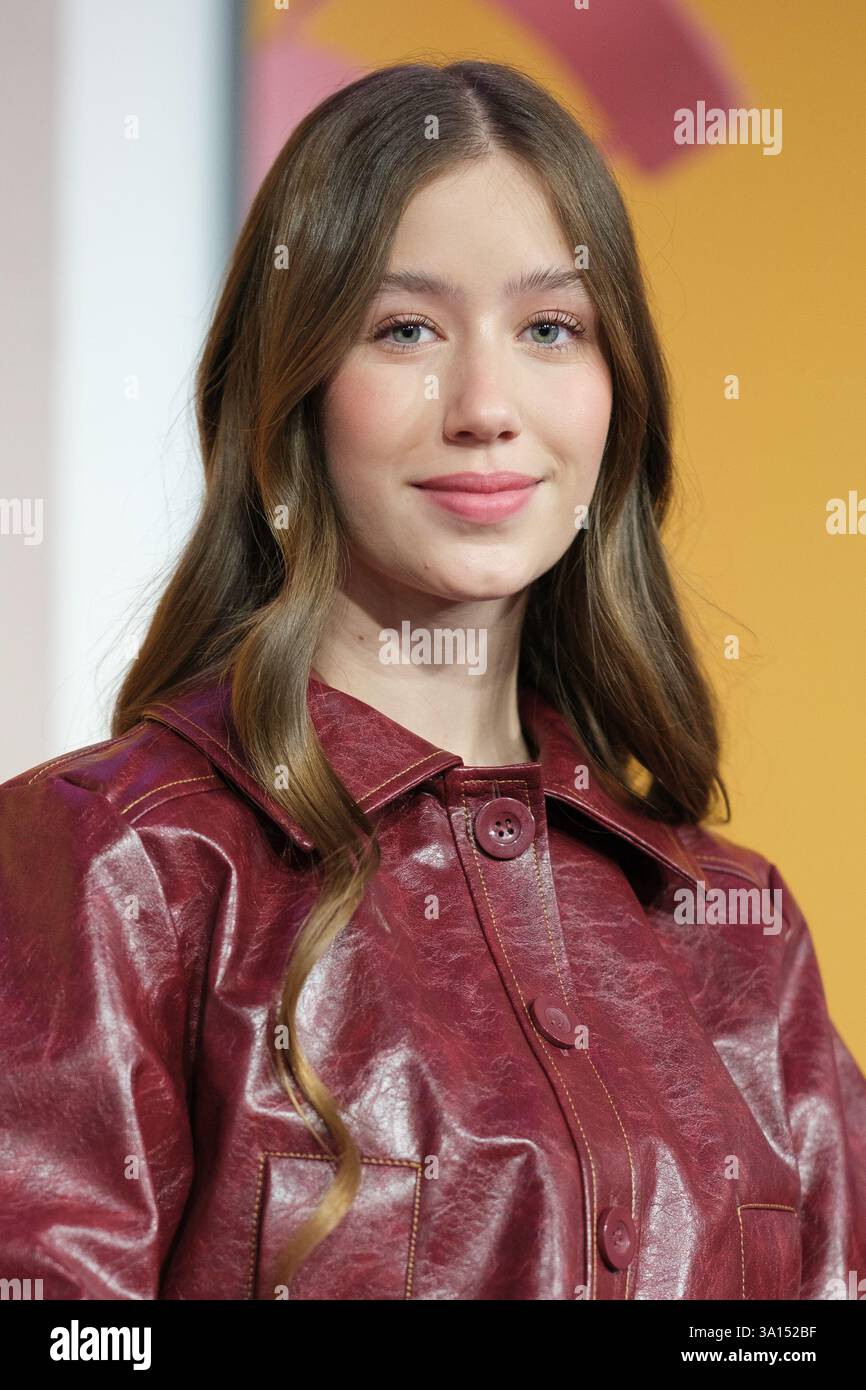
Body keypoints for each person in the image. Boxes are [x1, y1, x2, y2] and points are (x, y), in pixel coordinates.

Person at [1, 59, 864, 1302]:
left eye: (548, 329)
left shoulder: (735, 932)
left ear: (615, 398)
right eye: (404, 329)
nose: (483, 405)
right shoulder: (118, 862)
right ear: (292, 388)